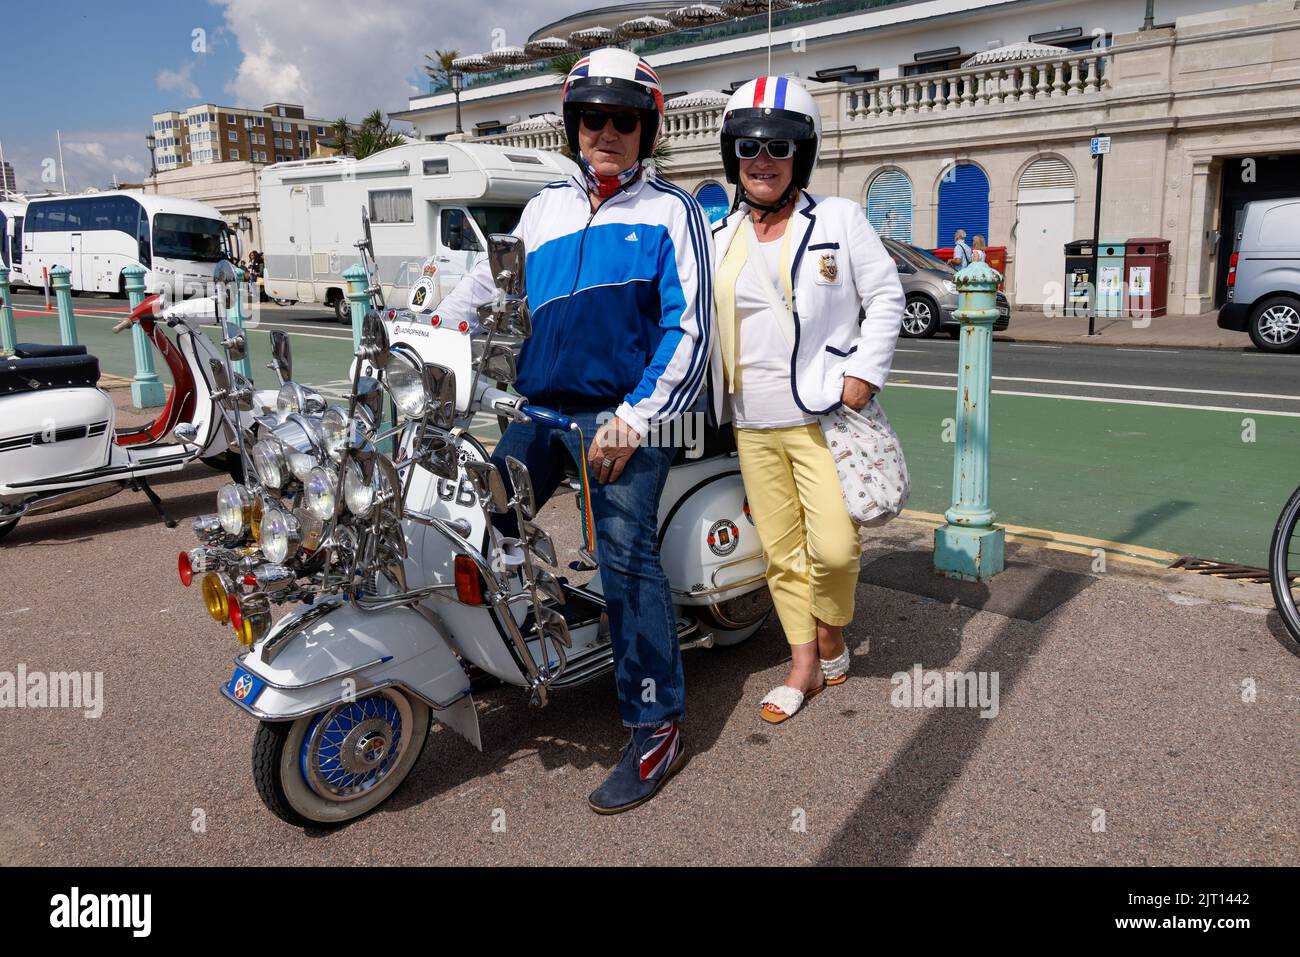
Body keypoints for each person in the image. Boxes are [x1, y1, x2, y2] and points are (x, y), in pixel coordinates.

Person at [435, 48, 713, 813]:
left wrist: (633, 418)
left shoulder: (671, 212)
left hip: (622, 416)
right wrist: (424, 328)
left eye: (625, 119)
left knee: (625, 559)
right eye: (594, 117)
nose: (608, 131)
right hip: (537, 409)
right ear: (574, 125)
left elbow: (690, 331)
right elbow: (488, 287)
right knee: (475, 519)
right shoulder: (545, 210)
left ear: (647, 129)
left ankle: (656, 722)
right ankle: (508, 651)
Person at [706, 76, 904, 722]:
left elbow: (887, 299)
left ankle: (831, 630)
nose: (762, 160)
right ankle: (803, 666)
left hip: (823, 416)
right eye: (748, 147)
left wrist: (865, 371)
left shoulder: (839, 220)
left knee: (837, 548)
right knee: (782, 552)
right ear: (732, 155)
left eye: (780, 147)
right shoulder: (719, 236)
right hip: (751, 420)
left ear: (802, 155)